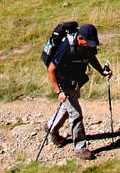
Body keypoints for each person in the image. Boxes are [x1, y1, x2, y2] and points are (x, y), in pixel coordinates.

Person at [44, 23, 112, 161]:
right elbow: (51, 69)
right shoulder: (65, 47)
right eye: (88, 42)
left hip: (74, 79)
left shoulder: (89, 45)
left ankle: (51, 127)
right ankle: (80, 149)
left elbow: (92, 58)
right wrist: (58, 92)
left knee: (68, 106)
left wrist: (102, 72)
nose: (91, 45)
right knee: (75, 113)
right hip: (62, 80)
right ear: (80, 38)